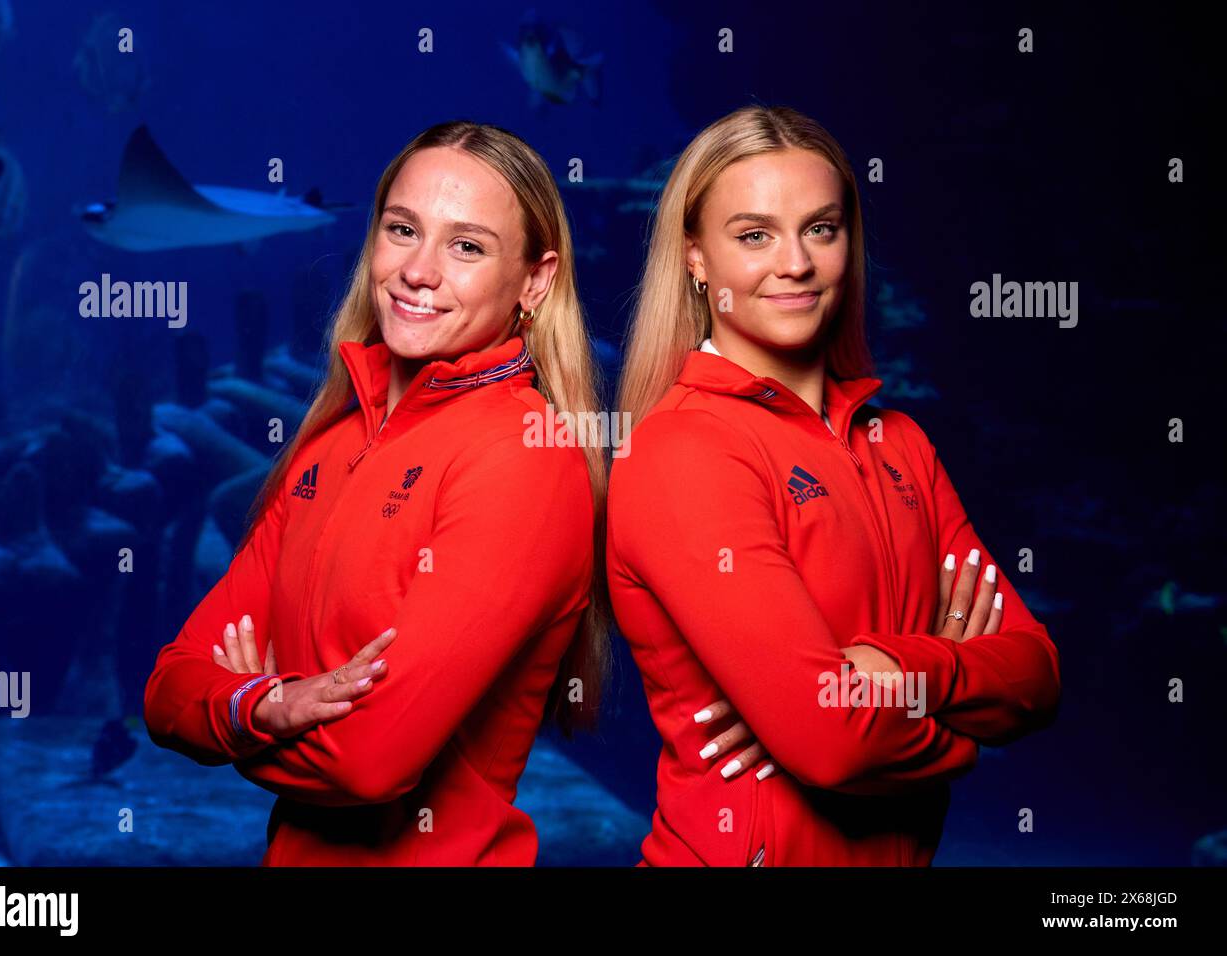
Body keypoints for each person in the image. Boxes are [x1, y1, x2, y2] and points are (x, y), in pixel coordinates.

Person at [144, 120, 609, 865]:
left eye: (466, 246)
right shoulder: (332, 439)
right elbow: (168, 688)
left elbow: (369, 763)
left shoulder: (523, 459)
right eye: (402, 229)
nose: (418, 271)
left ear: (536, 279)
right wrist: (266, 704)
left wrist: (239, 715)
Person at [607, 104, 1061, 865]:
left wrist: (900, 668)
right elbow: (832, 745)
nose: (796, 263)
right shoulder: (684, 450)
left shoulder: (900, 443)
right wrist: (964, 731)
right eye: (754, 235)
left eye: (821, 228)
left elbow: (1037, 676)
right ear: (695, 259)